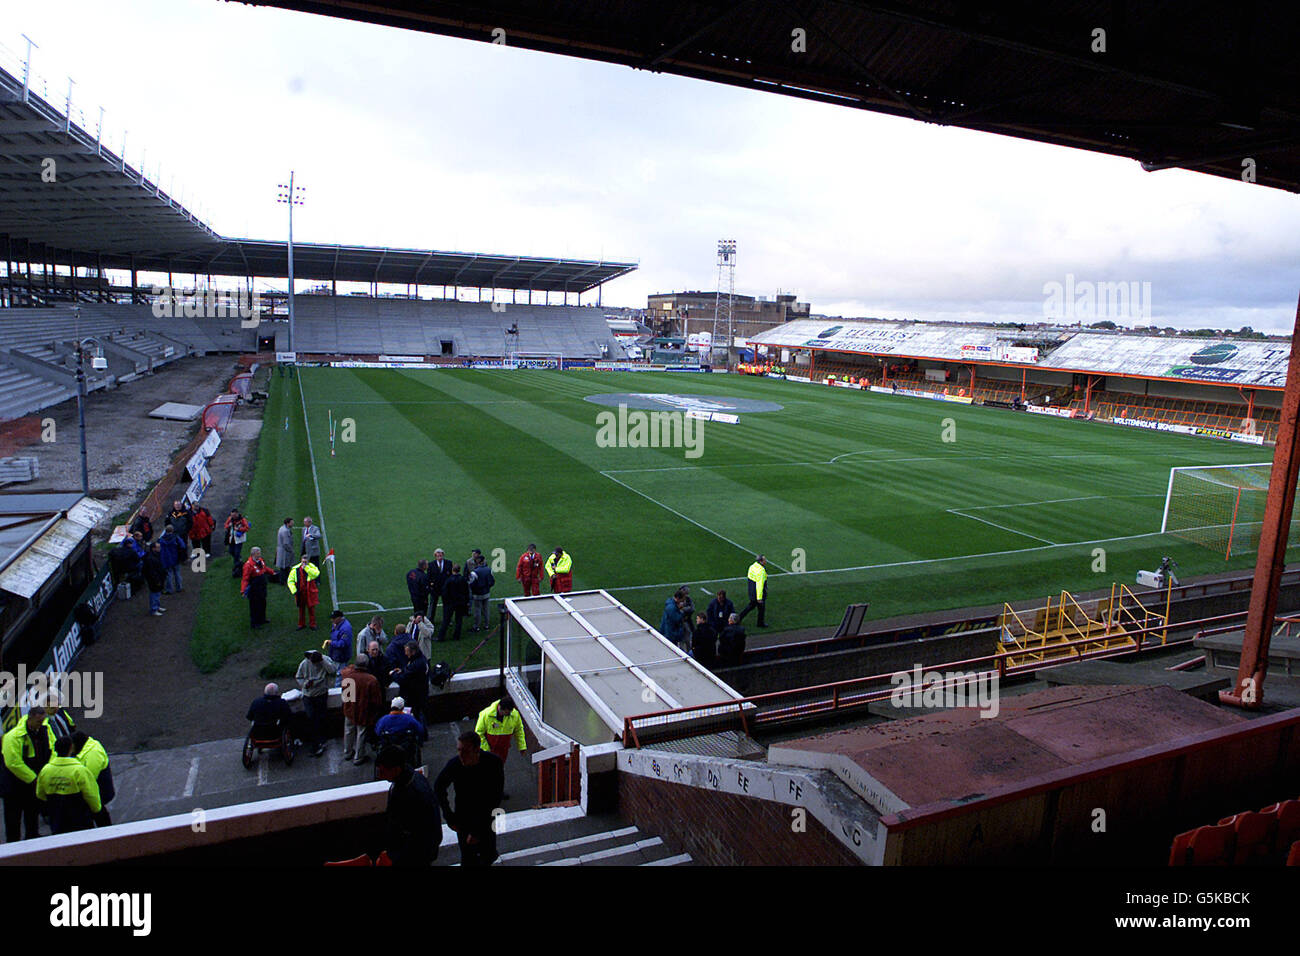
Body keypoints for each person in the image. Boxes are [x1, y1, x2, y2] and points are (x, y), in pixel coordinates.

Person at [434, 731, 504, 867]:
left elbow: (495, 798)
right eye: (459, 750)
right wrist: (449, 816)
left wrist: (478, 831)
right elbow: (439, 786)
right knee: (468, 857)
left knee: (487, 855)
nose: (461, 755)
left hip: (486, 818)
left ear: (477, 750)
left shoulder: (493, 763)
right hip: (464, 818)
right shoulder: (455, 764)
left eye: (465, 751)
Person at [375, 745, 441, 867]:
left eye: (383, 771)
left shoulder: (412, 793)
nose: (379, 776)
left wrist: (398, 855)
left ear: (395, 769)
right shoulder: (413, 779)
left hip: (413, 855)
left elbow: (421, 832)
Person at [1, 706, 54, 842]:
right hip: (14, 786)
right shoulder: (12, 737)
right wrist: (34, 779)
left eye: (42, 721)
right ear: (30, 719)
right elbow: (13, 763)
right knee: (13, 818)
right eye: (38, 722)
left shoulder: (45, 730)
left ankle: (33, 837)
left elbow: (53, 749)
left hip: (33, 785)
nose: (41, 724)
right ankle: (13, 845)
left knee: (32, 814)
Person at [35, 735, 101, 835]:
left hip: (57, 817)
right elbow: (91, 794)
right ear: (71, 748)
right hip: (79, 818)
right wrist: (96, 809)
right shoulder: (79, 770)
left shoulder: (46, 770)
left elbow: (40, 793)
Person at [341, 655, 383, 766]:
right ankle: (358, 757)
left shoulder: (347, 675)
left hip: (349, 708)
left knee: (348, 731)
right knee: (361, 733)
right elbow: (376, 700)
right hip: (363, 710)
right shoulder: (371, 680)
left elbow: (345, 670)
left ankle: (347, 752)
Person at [295, 650, 338, 757]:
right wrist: (305, 684)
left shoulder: (324, 660)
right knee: (311, 717)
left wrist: (323, 661)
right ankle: (315, 741)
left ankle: (322, 739)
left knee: (321, 717)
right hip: (308, 696)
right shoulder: (304, 664)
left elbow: (332, 670)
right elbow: (298, 677)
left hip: (321, 694)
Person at [474, 697, 526, 785]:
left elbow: (519, 730)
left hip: (502, 750)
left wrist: (522, 746)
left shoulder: (514, 715)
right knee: (487, 770)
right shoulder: (486, 715)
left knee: (499, 770)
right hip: (489, 750)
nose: (507, 715)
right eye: (506, 713)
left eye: (509, 713)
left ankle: (498, 790)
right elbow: (479, 733)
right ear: (500, 708)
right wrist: (486, 749)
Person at [69, 731, 114, 827]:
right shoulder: (86, 749)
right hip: (93, 790)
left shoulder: (93, 754)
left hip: (99, 791)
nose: (71, 750)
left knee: (98, 812)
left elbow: (89, 777)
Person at [375, 697, 427, 766]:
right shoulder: (409, 718)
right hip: (406, 746)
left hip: (389, 746)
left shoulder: (383, 720)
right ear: (402, 707)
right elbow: (420, 730)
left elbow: (378, 732)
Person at [392, 641, 430, 721]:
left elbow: (403, 678)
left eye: (407, 651)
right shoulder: (420, 659)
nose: (405, 654)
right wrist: (402, 670)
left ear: (413, 652)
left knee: (416, 718)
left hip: (415, 697)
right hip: (420, 695)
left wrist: (393, 674)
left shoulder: (417, 664)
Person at [241, 546, 276, 628]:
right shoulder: (248, 565)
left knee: (263, 603)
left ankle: (262, 619)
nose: (260, 555)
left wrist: (272, 572)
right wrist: (243, 590)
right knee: (254, 606)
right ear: (253, 554)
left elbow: (264, 568)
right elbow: (245, 579)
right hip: (254, 588)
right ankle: (254, 623)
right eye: (258, 553)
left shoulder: (260, 560)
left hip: (262, 586)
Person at [286, 554, 321, 630]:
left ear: (308, 561)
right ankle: (301, 624)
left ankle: (312, 624)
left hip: (310, 592)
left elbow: (316, 574)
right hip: (300, 592)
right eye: (303, 561)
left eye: (306, 561)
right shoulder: (295, 569)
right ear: (301, 560)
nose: (304, 562)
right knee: (301, 609)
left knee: (311, 609)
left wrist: (306, 568)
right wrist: (294, 590)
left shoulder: (312, 567)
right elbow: (290, 581)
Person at [437, 565, 469, 642]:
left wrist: (445, 602)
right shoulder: (463, 579)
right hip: (460, 603)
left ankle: (441, 637)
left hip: (450, 603)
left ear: (452, 570)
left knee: (446, 620)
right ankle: (456, 636)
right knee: (459, 620)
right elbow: (466, 592)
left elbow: (444, 592)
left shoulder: (449, 580)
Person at [736, 555, 768, 628]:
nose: (766, 561)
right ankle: (760, 623)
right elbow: (760, 585)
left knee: (751, 606)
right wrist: (759, 598)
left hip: (752, 591)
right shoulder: (761, 571)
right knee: (761, 609)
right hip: (758, 593)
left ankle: (739, 618)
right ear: (761, 561)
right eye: (764, 560)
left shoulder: (752, 567)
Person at [467, 555, 495, 633]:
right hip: (486, 592)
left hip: (477, 594)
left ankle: (477, 626)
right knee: (486, 609)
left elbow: (471, 583)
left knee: (477, 610)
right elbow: (492, 581)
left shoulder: (474, 572)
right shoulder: (489, 570)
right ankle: (486, 625)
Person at [426, 549, 452, 626]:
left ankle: (447, 619)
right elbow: (429, 577)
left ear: (443, 555)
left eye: (441, 555)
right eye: (438, 555)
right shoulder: (431, 565)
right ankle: (430, 620)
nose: (440, 557)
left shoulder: (449, 563)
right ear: (435, 556)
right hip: (435, 589)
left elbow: (450, 575)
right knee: (432, 605)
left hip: (445, 589)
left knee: (446, 605)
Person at [158, 523, 185, 594]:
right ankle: (179, 587)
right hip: (176, 558)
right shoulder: (176, 538)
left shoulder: (161, 540)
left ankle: (169, 589)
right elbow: (183, 545)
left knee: (168, 575)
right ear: (172, 530)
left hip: (166, 559)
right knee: (177, 573)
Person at [143, 541, 166, 617]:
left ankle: (157, 606)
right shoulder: (150, 558)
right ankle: (154, 609)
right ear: (153, 548)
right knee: (154, 594)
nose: (160, 549)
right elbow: (151, 571)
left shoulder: (155, 555)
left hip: (158, 577)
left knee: (158, 593)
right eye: (158, 547)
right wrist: (156, 580)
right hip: (154, 579)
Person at [224, 508, 250, 576]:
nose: (233, 517)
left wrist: (239, 529)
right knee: (231, 551)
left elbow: (247, 528)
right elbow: (225, 525)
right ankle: (239, 560)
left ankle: (236, 565)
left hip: (239, 539)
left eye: (234, 516)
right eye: (232, 516)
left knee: (236, 553)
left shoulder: (242, 520)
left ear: (237, 514)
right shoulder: (230, 519)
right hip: (231, 538)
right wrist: (228, 526)